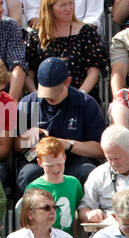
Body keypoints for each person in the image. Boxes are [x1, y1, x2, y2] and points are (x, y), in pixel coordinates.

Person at [16, 57, 107, 190]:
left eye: (53, 93)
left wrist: (68, 144)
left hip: (75, 160)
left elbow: (100, 149)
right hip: (40, 162)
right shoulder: (28, 103)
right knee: (29, 174)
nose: (49, 98)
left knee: (87, 172)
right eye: (45, 93)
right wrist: (27, 137)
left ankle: (85, 209)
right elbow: (15, 147)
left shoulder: (86, 104)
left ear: (68, 82)